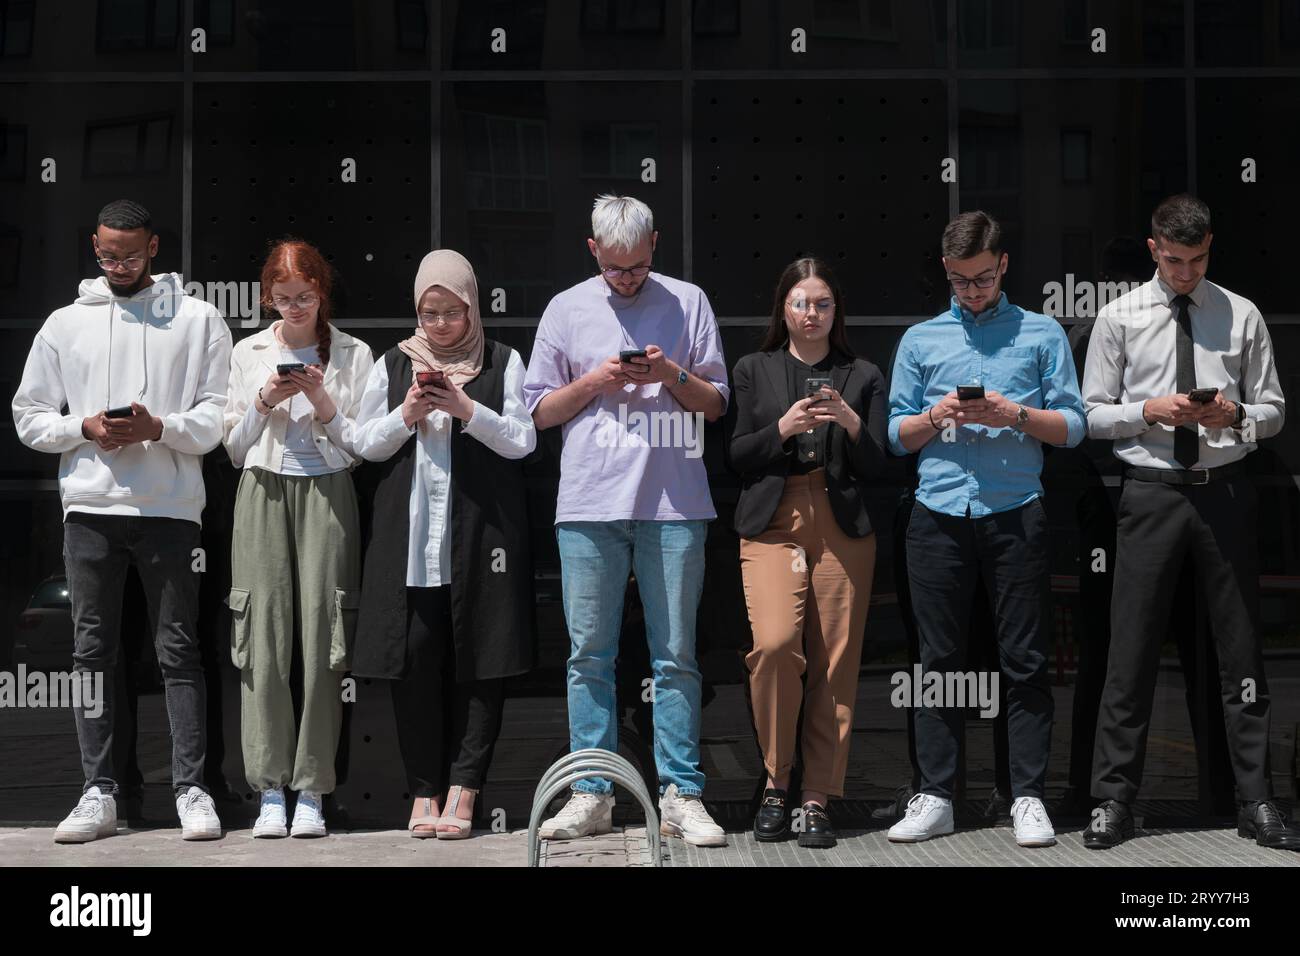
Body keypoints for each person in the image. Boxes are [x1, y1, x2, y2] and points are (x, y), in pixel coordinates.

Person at [1080, 194, 1299, 851]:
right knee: (1131, 650)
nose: (1186, 272)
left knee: (1242, 653)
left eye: (1197, 259)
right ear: (1153, 250)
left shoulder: (1242, 314)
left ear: (1210, 248)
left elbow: (1276, 410)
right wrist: (1151, 409)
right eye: (1174, 260)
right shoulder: (1119, 316)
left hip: (1224, 491)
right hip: (1148, 493)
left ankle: (1256, 800)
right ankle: (1113, 800)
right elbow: (1090, 414)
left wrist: (1234, 416)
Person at [11, 199, 232, 842]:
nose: (119, 264)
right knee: (90, 654)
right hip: (90, 510)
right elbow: (28, 417)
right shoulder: (63, 323)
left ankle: (192, 788)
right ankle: (99, 790)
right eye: (108, 254)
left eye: (131, 254)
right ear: (93, 245)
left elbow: (218, 417)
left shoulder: (198, 318)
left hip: (169, 509)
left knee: (179, 652)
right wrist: (82, 427)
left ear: (155, 247)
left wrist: (159, 427)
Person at [524, 195, 730, 847]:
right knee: (589, 657)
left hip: (674, 506)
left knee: (677, 658)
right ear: (593, 250)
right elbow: (539, 412)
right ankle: (592, 792)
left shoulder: (688, 301)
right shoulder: (565, 308)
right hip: (589, 503)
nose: (627, 279)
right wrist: (597, 380)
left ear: (655, 247)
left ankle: (682, 795)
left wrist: (669, 371)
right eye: (615, 269)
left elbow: (716, 404)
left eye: (637, 267)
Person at [885, 210, 1086, 847]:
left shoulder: (1042, 333)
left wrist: (1017, 414)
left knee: (1024, 661)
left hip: (1016, 511)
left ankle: (1027, 795)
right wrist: (937, 415)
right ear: (945, 272)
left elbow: (1074, 426)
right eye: (958, 281)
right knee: (938, 660)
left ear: (1003, 266)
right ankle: (937, 794)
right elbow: (894, 435)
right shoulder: (920, 339)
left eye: (980, 279)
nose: (970, 291)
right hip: (937, 515)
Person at [352, 249, 536, 839]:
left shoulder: (503, 360)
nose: (439, 325)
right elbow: (363, 444)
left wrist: (466, 408)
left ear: (472, 308)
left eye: (452, 313)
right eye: (429, 313)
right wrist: (405, 413)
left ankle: (465, 788)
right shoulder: (393, 364)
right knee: (415, 671)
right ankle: (425, 791)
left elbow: (523, 440)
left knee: (483, 666)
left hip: (482, 545)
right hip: (413, 553)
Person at [726, 257, 886, 848]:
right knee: (773, 646)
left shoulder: (862, 373)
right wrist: (784, 429)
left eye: (822, 303)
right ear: (783, 309)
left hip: (842, 521)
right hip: (773, 518)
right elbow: (737, 455)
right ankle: (776, 781)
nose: (811, 313)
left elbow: (879, 465)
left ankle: (816, 797)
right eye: (800, 303)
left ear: (835, 310)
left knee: (836, 664)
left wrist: (849, 423)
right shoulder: (752, 369)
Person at [223, 239, 374, 838]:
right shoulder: (247, 352)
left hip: (328, 492)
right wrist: (265, 398)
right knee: (261, 638)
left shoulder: (354, 353)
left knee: (324, 637)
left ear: (322, 294)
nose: (294, 309)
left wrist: (318, 398)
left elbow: (360, 449)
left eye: (305, 298)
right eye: (282, 299)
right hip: (261, 489)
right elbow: (233, 449)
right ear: (267, 298)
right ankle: (269, 791)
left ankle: (312, 787)